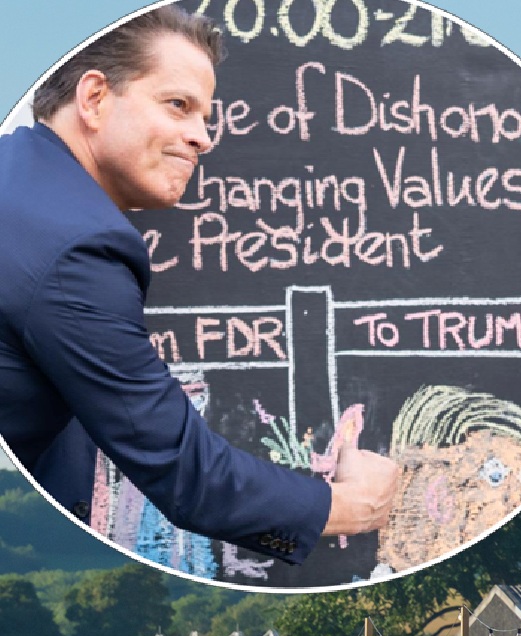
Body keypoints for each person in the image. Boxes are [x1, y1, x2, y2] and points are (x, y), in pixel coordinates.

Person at [0, 8, 400, 565]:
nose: (204, 138)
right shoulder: (77, 247)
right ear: (93, 98)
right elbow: (188, 475)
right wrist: (351, 505)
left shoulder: (19, 178)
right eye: (178, 105)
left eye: (206, 116)